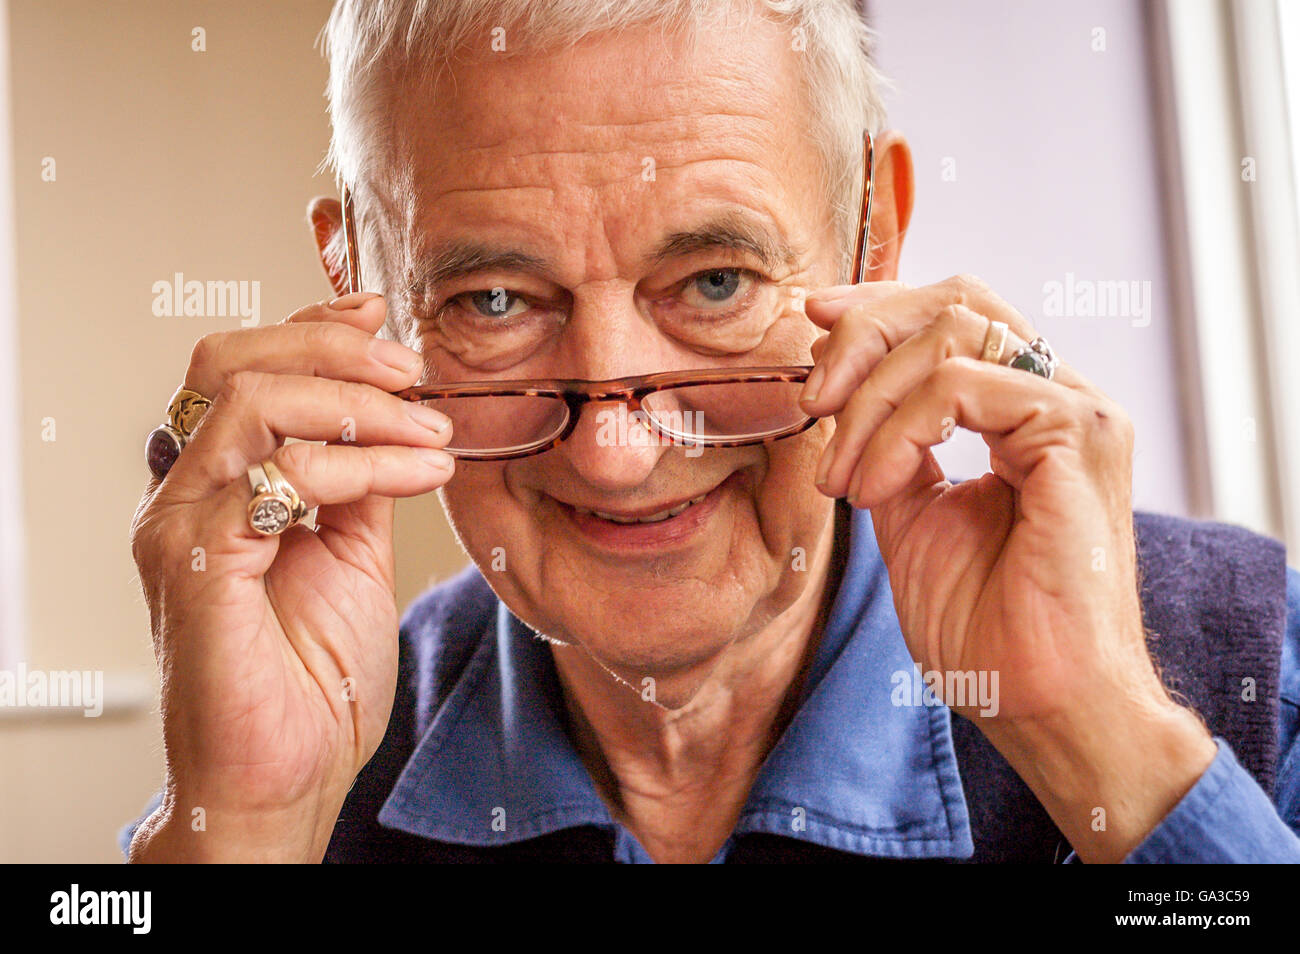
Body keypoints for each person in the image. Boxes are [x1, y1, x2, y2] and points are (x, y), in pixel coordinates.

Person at [122, 0, 1300, 863]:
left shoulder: (1252, 664)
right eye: (493, 303)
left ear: (870, 235)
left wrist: (1107, 752)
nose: (615, 452)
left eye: (717, 283)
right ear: (354, 274)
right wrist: (242, 833)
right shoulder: (302, 748)